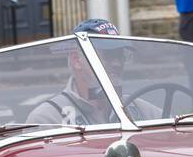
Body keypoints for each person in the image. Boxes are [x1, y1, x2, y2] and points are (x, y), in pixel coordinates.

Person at [27, 19, 156, 128]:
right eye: (108, 56)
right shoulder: (48, 118)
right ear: (76, 60)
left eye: (120, 55)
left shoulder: (138, 108)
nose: (117, 64)